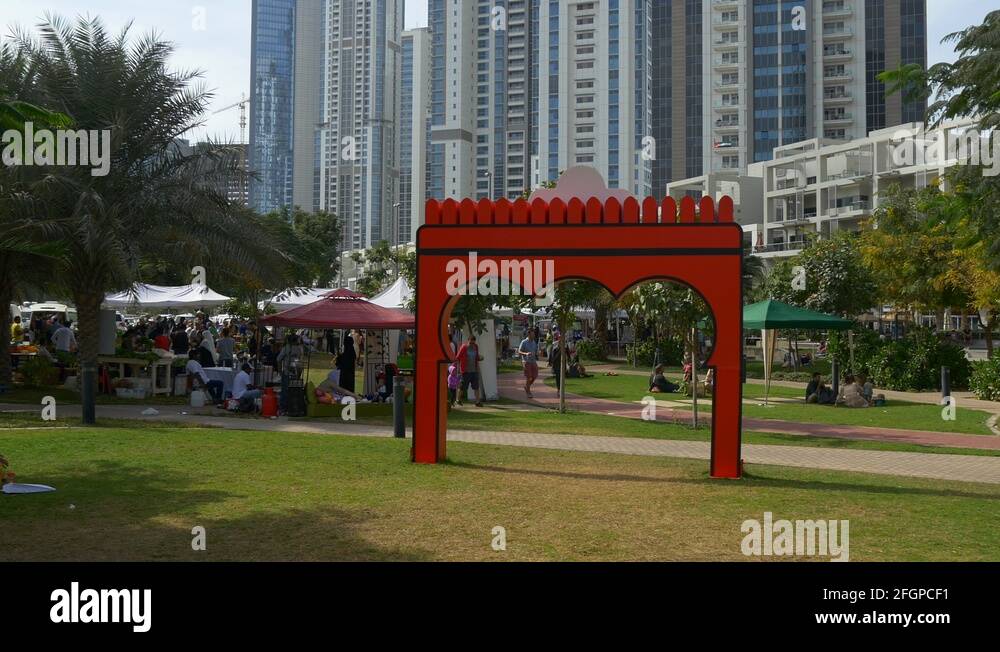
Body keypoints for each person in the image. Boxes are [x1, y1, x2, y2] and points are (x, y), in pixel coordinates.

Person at [455, 335, 484, 407]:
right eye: (470, 343)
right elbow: (457, 357)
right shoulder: (464, 347)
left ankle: (477, 402)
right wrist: (458, 369)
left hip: (474, 371)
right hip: (466, 371)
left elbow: (476, 357)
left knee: (476, 387)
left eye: (473, 343)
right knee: (462, 387)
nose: (472, 344)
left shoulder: (476, 347)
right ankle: (458, 400)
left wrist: (480, 358)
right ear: (468, 341)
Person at [517, 329, 540, 398]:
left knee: (535, 376)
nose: (534, 335)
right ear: (529, 334)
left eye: (534, 334)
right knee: (528, 376)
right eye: (533, 334)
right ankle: (528, 392)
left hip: (533, 361)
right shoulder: (524, 342)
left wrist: (537, 354)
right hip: (526, 361)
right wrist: (526, 353)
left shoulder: (534, 342)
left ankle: (527, 386)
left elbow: (535, 350)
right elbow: (519, 351)